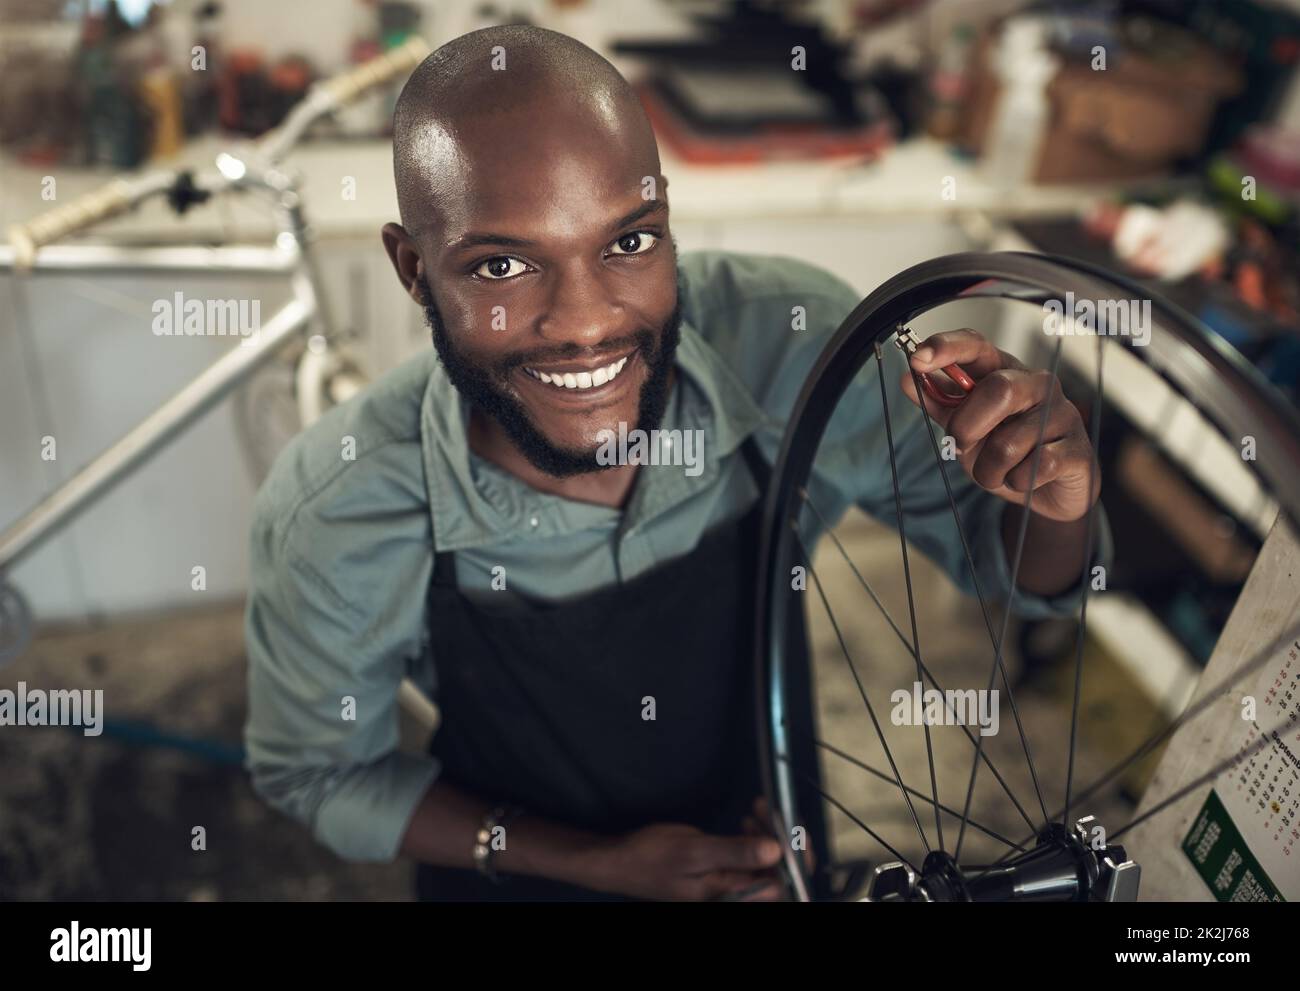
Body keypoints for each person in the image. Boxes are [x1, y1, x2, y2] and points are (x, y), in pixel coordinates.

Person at [242, 24, 1108, 902]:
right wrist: (594, 864)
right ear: (415, 270)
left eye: (628, 243)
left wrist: (1051, 493)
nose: (585, 322)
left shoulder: (790, 347)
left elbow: (1010, 564)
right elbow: (320, 776)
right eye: (502, 264)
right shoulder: (337, 508)